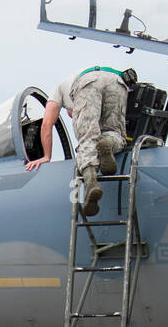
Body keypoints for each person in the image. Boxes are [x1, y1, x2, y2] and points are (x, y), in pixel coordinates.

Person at [24, 66, 130, 217]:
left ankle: (91, 182)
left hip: (88, 83)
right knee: (114, 133)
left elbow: (47, 124)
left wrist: (47, 156)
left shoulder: (60, 90)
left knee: (87, 138)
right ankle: (108, 143)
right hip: (116, 80)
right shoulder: (75, 83)